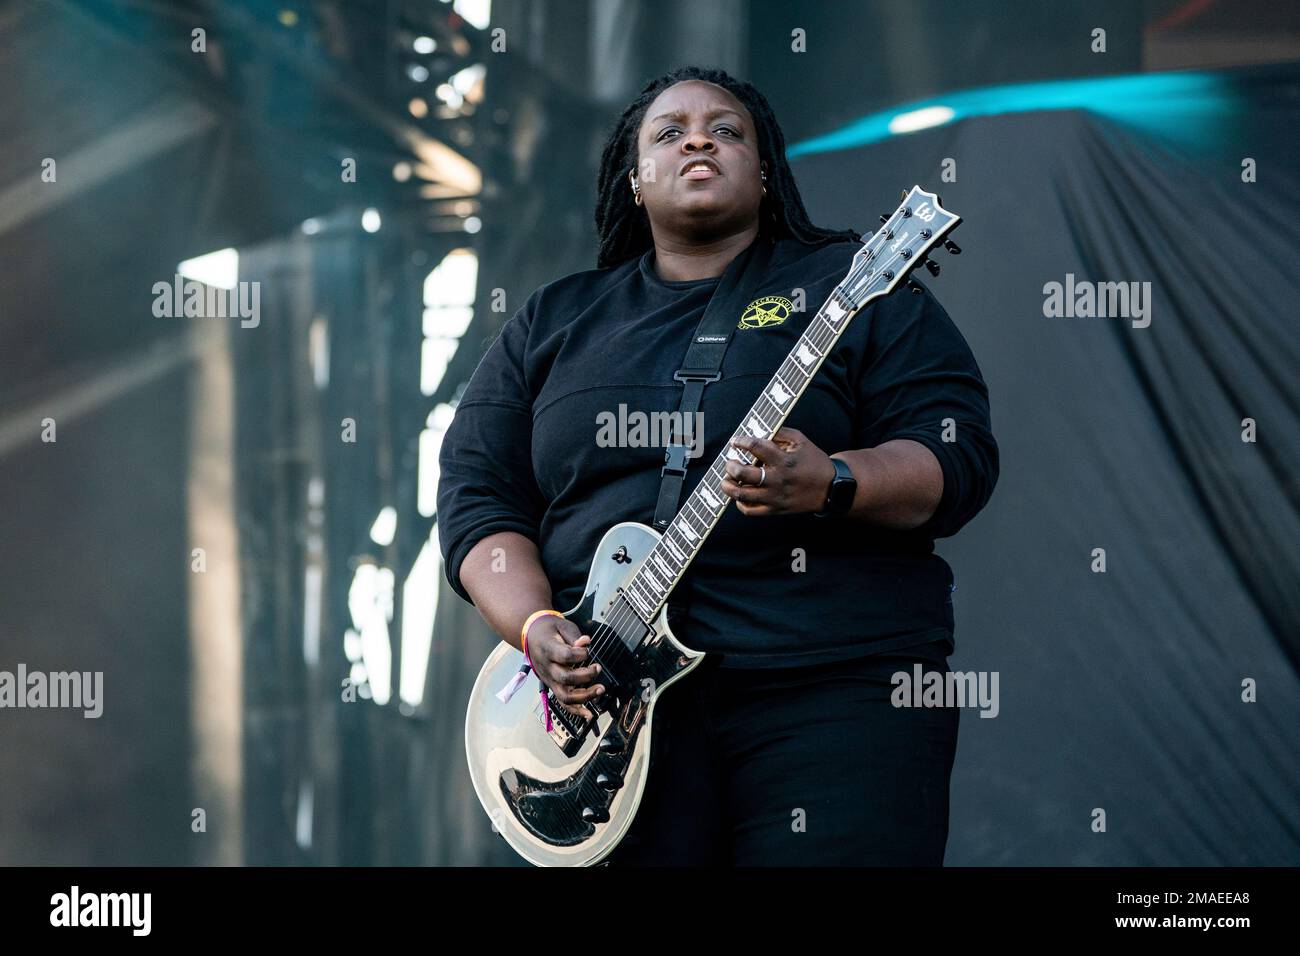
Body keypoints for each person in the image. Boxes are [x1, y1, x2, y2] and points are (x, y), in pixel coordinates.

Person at [436, 66, 998, 866]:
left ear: (766, 170)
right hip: (609, 714)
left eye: (728, 130)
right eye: (669, 132)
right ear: (634, 181)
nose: (699, 138)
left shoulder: (856, 286)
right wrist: (532, 626)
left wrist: (833, 482)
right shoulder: (553, 320)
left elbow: (955, 453)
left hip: (835, 691)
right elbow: (477, 495)